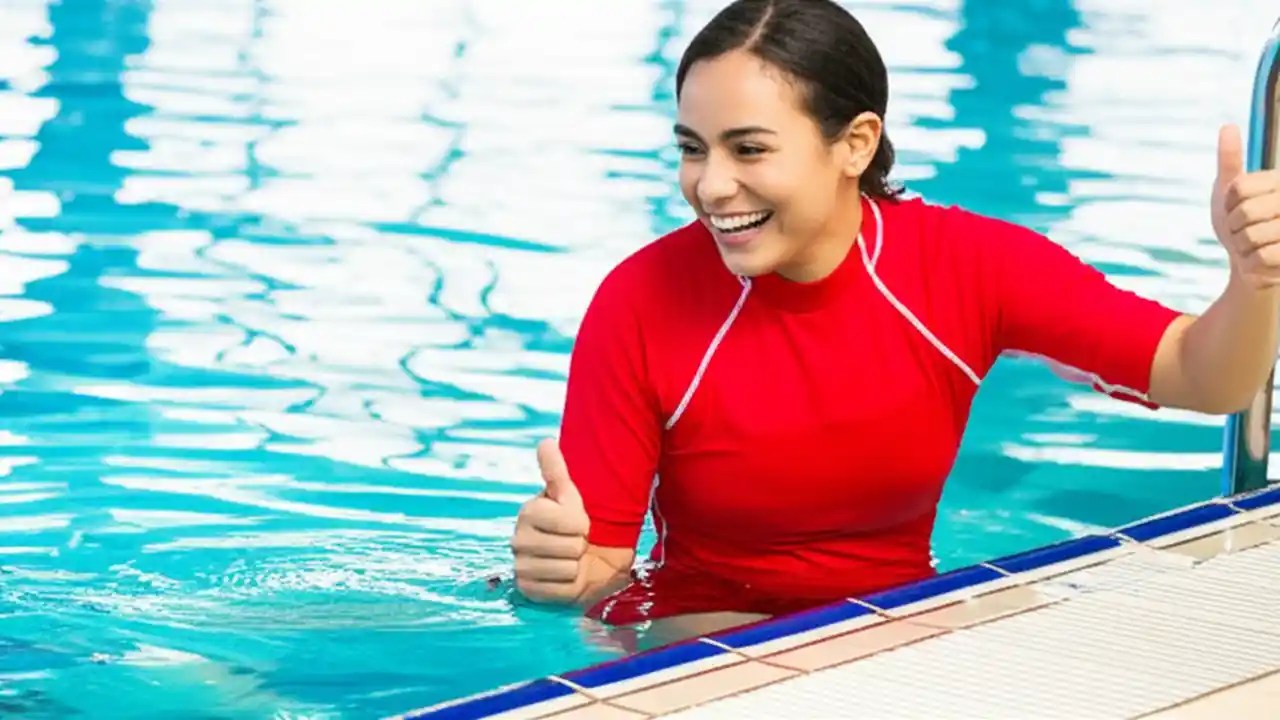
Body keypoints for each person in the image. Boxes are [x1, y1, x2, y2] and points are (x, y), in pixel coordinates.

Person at [508, 0, 1280, 647]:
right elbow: (601, 575)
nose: (710, 185)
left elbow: (1204, 377)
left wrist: (1255, 279)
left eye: (748, 149)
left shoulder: (965, 268)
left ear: (855, 143)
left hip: (895, 632)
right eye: (692, 149)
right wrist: (560, 577)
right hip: (697, 637)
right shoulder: (641, 300)